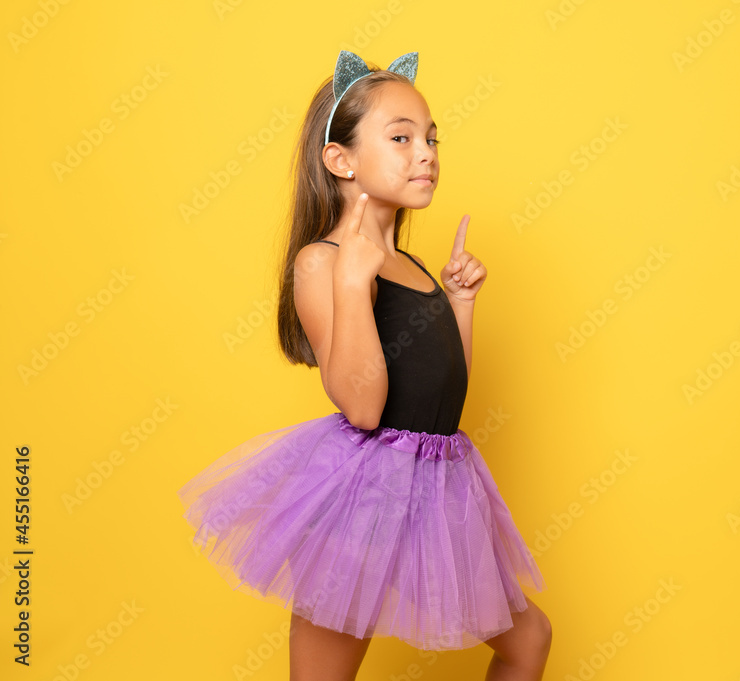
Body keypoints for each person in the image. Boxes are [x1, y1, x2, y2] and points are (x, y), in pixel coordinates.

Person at [176, 50, 551, 680]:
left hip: (436, 488)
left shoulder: (411, 264)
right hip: (364, 498)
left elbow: (444, 390)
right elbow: (365, 406)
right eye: (401, 138)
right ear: (340, 161)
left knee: (529, 637)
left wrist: (459, 302)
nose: (426, 153)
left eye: (431, 138)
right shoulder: (322, 263)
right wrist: (352, 285)